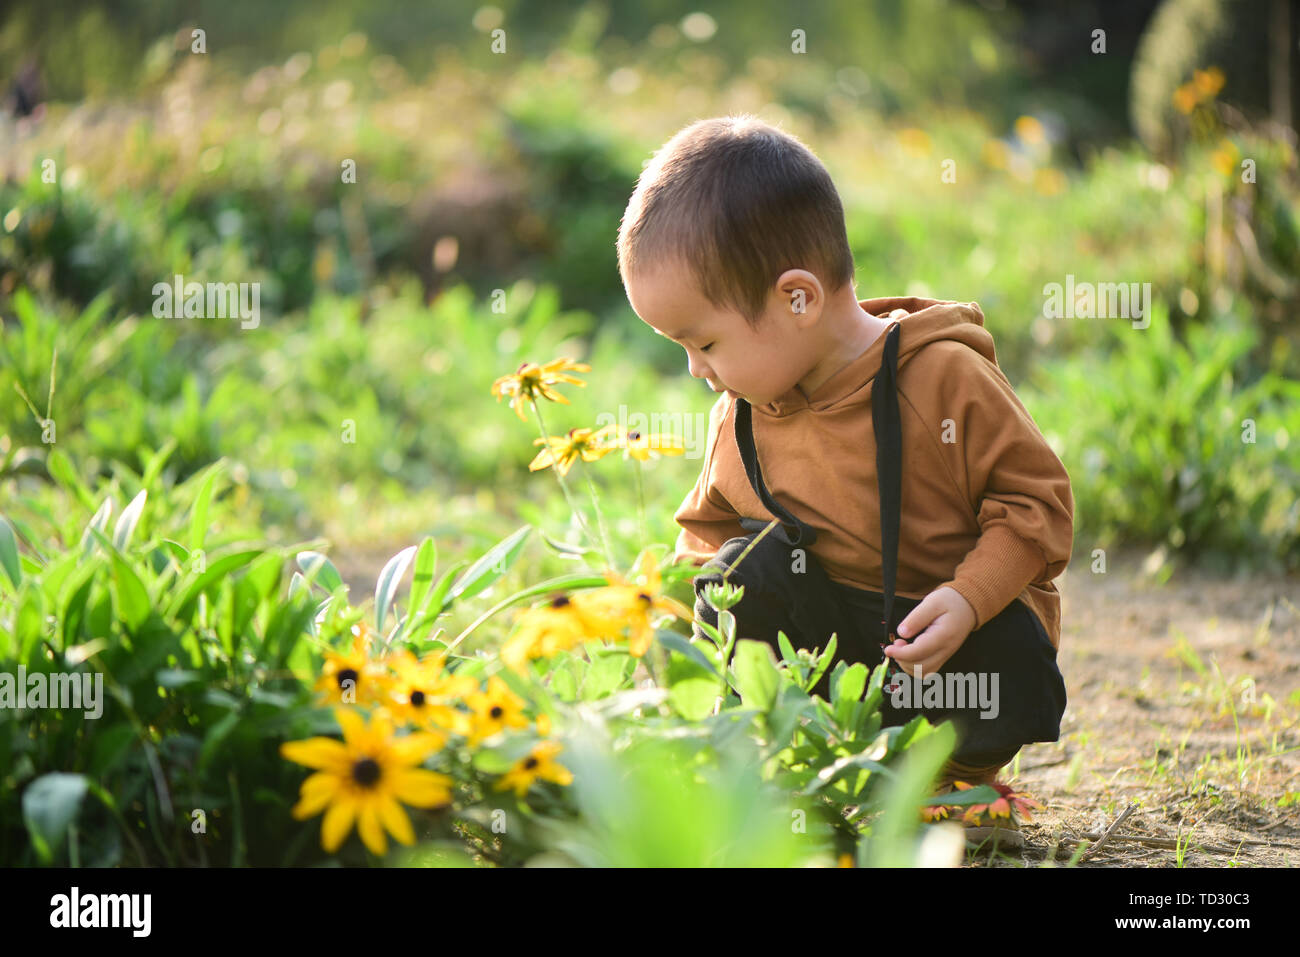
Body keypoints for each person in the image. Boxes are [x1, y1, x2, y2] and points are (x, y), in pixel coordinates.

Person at [616, 115, 1072, 848]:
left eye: (704, 342)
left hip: (946, 651)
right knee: (740, 570)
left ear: (797, 298)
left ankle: (955, 782)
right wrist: (668, 657)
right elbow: (705, 545)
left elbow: (1036, 505)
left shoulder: (943, 378)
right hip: (830, 660)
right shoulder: (741, 418)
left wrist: (968, 596)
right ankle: (781, 764)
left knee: (1000, 656)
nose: (696, 370)